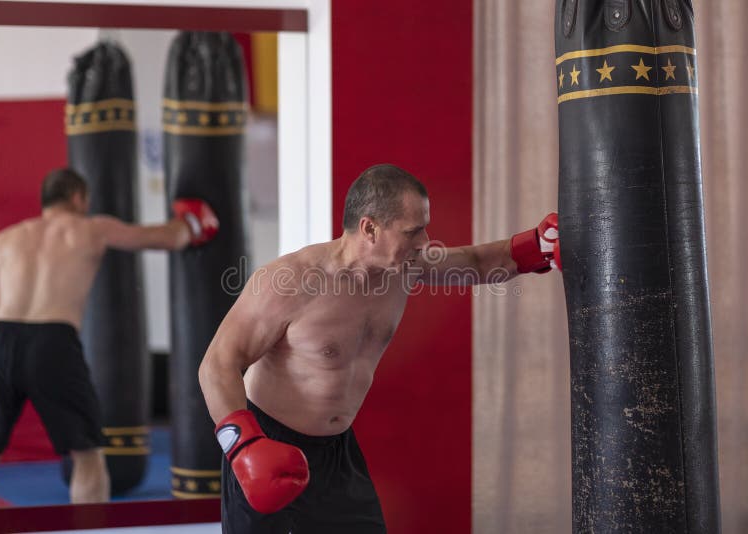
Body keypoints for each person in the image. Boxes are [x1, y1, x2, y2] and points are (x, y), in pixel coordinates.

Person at [199, 163, 560, 533]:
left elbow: (476, 262)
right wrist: (244, 447)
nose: (424, 242)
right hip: (269, 445)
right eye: (412, 231)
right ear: (370, 228)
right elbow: (217, 364)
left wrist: (539, 245)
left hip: (338, 454)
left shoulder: (405, 266)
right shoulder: (290, 281)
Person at [0, 167, 219, 508]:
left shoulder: (6, 239)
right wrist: (191, 222)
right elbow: (164, 238)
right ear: (78, 198)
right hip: (52, 342)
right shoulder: (91, 228)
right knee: (87, 453)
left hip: (3, 341)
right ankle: (91, 529)